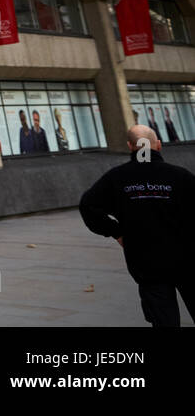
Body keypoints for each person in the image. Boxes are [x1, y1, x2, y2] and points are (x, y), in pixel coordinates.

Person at [79, 125, 195, 326]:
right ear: (158, 145)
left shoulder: (117, 178)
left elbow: (88, 206)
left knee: (164, 321)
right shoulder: (180, 176)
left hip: (146, 261)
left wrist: (116, 232)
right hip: (188, 259)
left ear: (130, 146)